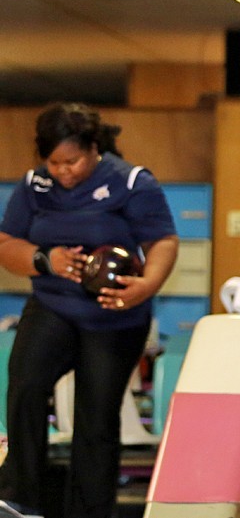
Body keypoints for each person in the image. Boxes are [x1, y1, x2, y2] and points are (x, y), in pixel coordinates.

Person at [0, 102, 179, 518]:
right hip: (53, 304)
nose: (63, 171)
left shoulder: (132, 182)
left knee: (95, 416)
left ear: (93, 148)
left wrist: (147, 285)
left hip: (115, 312)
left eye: (73, 161)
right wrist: (46, 259)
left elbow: (162, 242)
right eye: (54, 162)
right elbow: (7, 244)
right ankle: (19, 496)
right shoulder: (34, 186)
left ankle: (90, 511)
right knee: (26, 383)